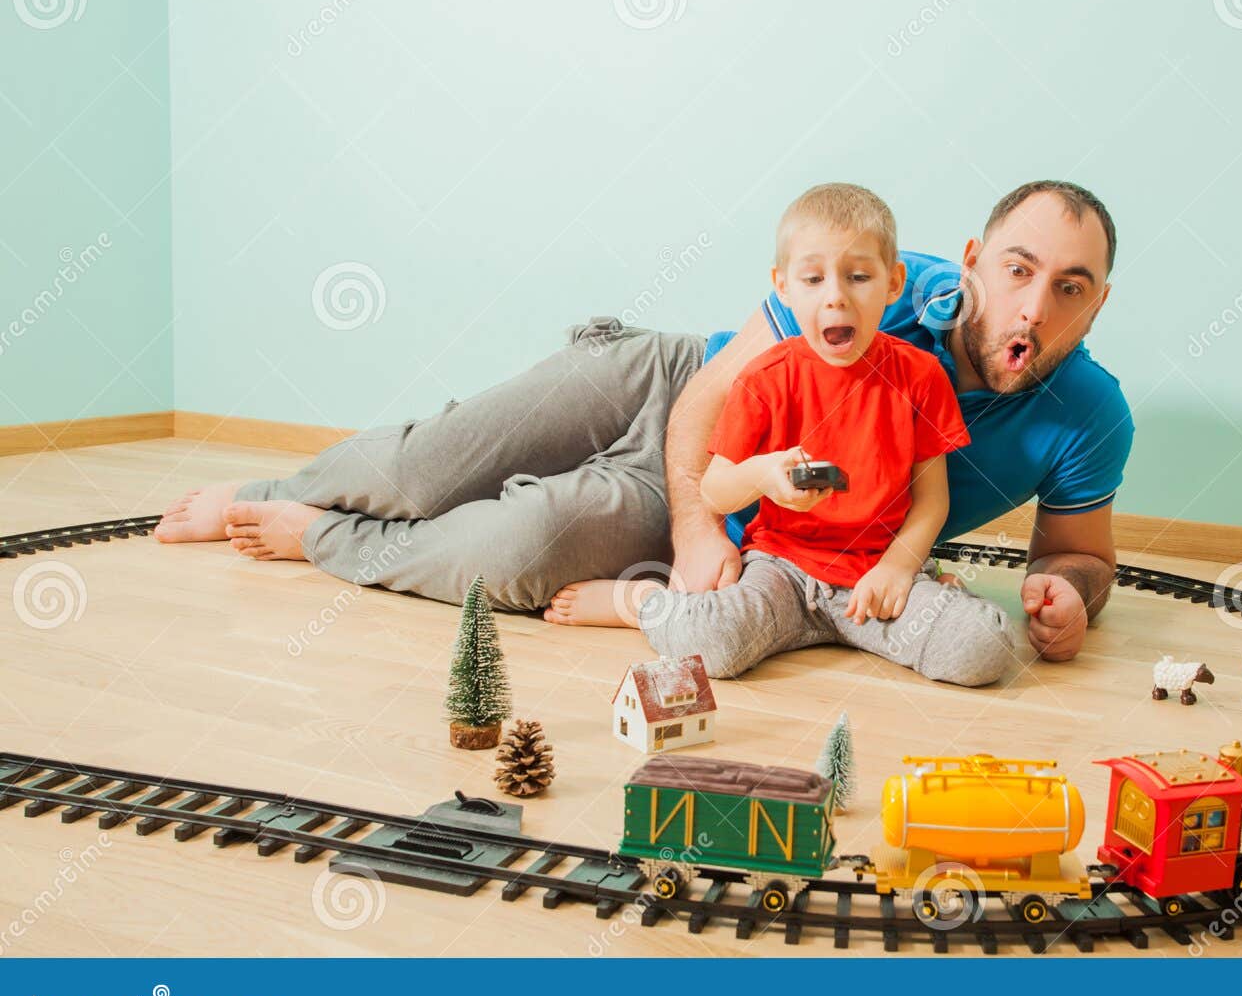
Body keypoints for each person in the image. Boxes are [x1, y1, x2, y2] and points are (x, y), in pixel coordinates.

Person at [153, 179, 1132, 662]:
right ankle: (266, 491)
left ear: (1095, 304)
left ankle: (321, 534)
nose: (1032, 307)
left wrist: (1069, 596)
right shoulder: (876, 282)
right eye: (1016, 269)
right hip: (668, 388)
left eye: (1068, 287)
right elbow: (711, 399)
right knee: (427, 466)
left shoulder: (1089, 413)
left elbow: (1080, 553)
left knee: (522, 546)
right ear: (971, 260)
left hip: (748, 515)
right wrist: (698, 526)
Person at [542, 183, 1013, 686]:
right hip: (781, 572)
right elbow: (715, 489)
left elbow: (931, 503)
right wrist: (764, 474)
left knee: (982, 650)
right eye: (813, 279)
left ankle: (915, 599)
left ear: (893, 283)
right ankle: (643, 603)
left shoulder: (921, 376)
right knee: (714, 649)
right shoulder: (767, 377)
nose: (836, 297)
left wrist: (899, 568)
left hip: (873, 581)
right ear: (783, 286)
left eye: (859, 277)